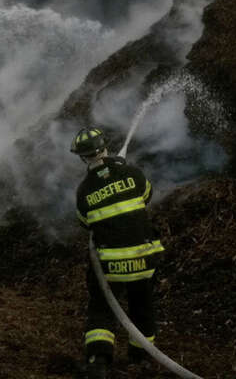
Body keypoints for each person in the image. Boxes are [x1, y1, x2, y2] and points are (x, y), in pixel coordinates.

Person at [72, 127, 164, 378]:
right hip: (145, 258)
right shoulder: (132, 173)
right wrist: (120, 171)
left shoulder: (84, 190)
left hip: (111, 265)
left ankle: (98, 361)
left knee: (102, 308)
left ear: (82, 157)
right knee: (142, 305)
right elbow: (147, 195)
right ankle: (141, 357)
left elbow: (85, 222)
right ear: (105, 147)